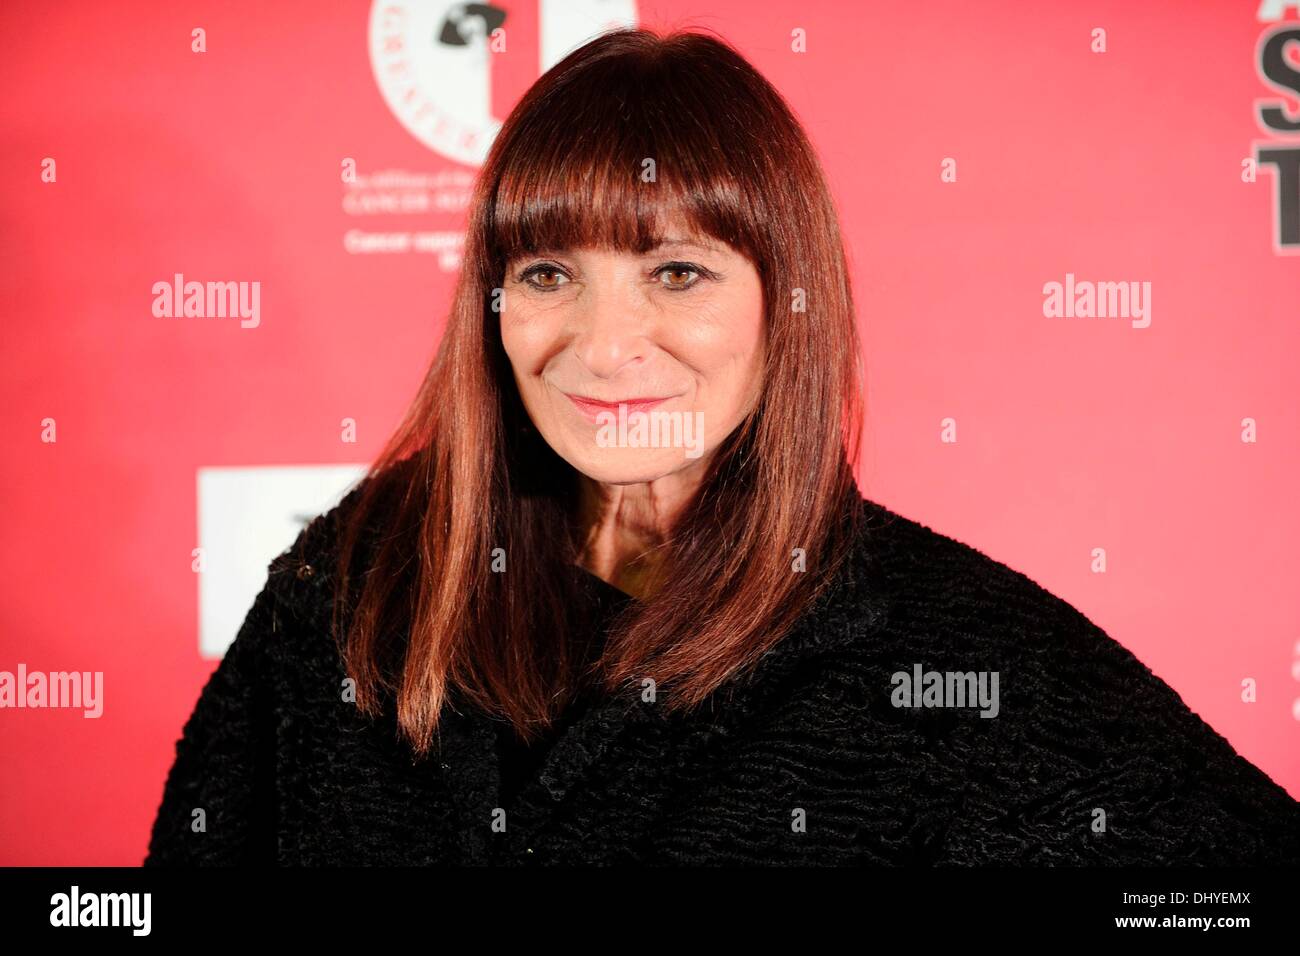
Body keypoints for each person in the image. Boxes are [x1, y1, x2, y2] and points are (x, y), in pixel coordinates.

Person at [145, 26, 1300, 866]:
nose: (602, 348)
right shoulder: (354, 580)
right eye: (548, 274)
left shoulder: (954, 656)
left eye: (677, 272)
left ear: (782, 303)